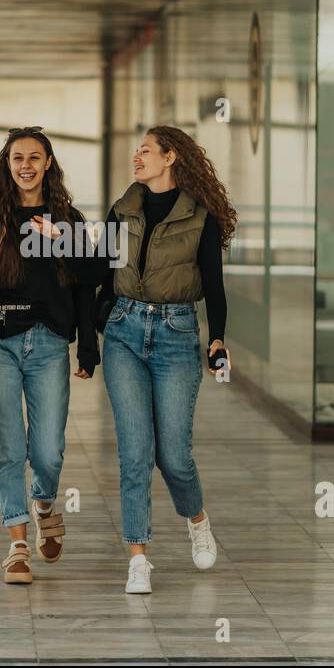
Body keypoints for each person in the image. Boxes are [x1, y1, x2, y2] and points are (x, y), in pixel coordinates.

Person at [96, 125, 236, 594]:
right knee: (134, 453)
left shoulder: (201, 216)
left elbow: (213, 284)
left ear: (171, 157)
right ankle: (138, 558)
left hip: (177, 334)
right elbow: (99, 269)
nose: (137, 157)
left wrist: (217, 339)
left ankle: (196, 519)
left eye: (146, 150)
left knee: (173, 456)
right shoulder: (122, 209)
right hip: (124, 335)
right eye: (136, 151)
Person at [0, 127, 100, 584]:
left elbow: (90, 279)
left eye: (34, 157)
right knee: (8, 449)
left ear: (48, 164)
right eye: (17, 157)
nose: (25, 165)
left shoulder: (69, 218)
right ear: (7, 165)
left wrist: (88, 344)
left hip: (47, 344)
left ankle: (44, 502)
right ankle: (17, 545)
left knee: (48, 449)